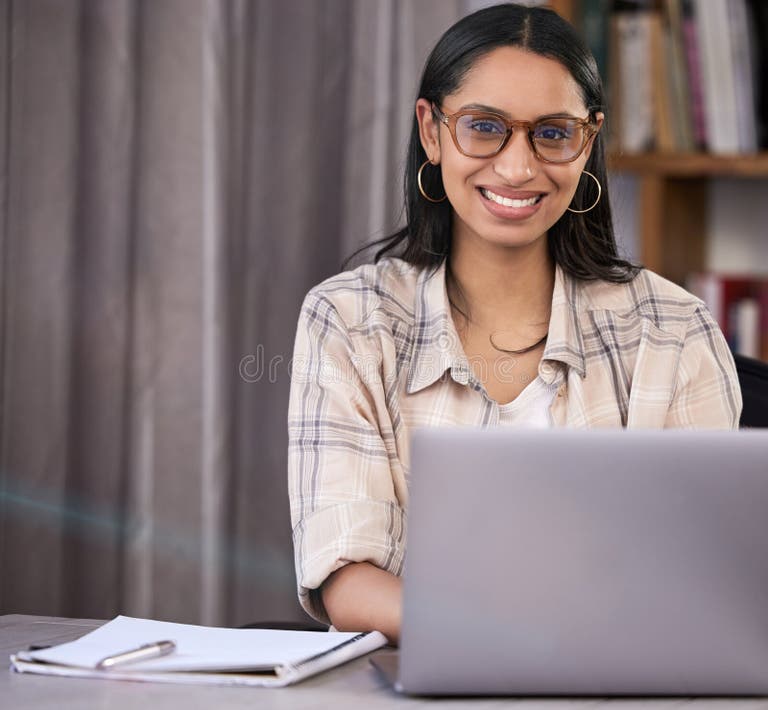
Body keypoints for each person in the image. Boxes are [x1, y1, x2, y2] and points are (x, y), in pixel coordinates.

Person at [287, 3, 741, 645]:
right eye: (484, 127)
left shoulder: (675, 331)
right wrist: (505, 634)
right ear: (432, 131)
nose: (518, 167)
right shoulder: (349, 320)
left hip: (618, 677)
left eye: (553, 133)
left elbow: (703, 575)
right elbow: (346, 578)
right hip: (422, 671)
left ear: (588, 142)